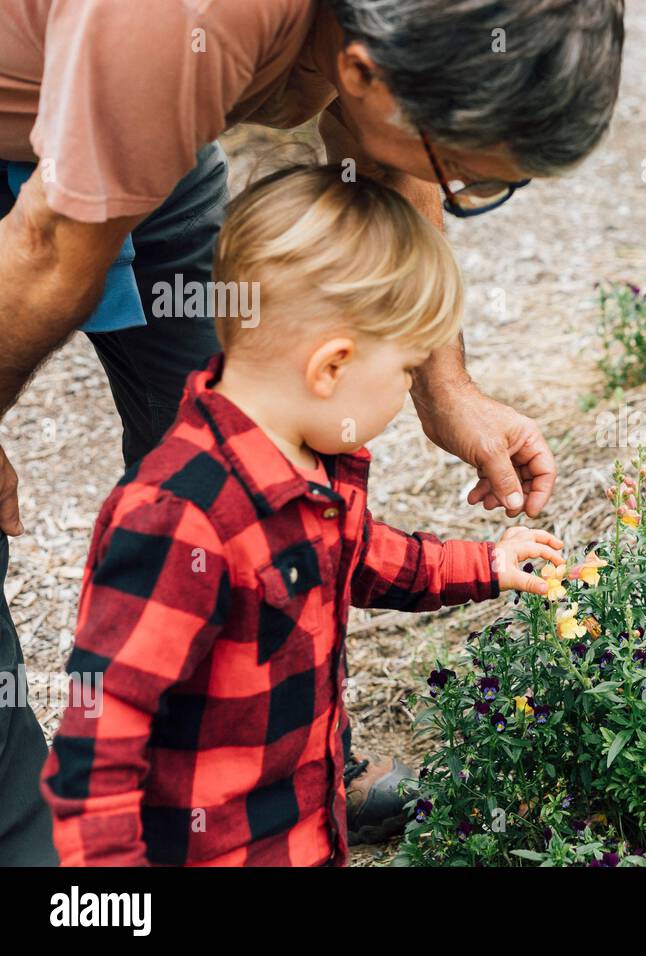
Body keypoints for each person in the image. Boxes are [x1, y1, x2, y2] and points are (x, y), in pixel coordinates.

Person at [0, 0, 625, 861]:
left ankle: (261, 759)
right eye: (469, 179)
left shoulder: (295, 465)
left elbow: (350, 550)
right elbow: (46, 248)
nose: (464, 196)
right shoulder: (170, 22)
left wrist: (454, 428)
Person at [40, 166, 567, 866]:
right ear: (332, 368)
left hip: (300, 834)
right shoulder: (178, 517)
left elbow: (357, 552)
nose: (409, 387)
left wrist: (481, 564)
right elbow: (100, 740)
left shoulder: (306, 464)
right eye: (408, 368)